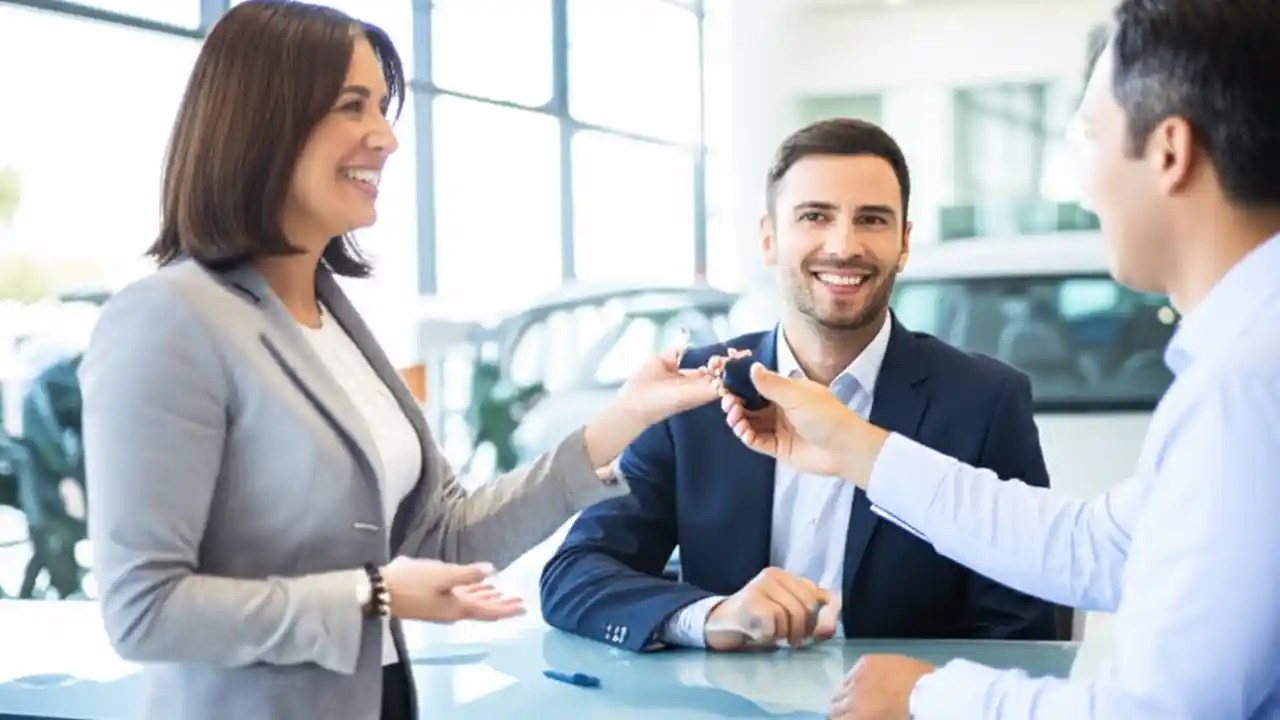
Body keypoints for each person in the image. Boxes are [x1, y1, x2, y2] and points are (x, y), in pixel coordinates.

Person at [79, 4, 717, 720]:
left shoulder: (336, 322)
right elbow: (143, 610)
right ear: (264, 120)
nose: (384, 138)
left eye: (383, 109)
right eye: (354, 106)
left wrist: (620, 420)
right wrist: (371, 594)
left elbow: (445, 534)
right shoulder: (169, 319)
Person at [720, 2, 1280, 717]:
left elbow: (1160, 712)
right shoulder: (1245, 358)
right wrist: (854, 447)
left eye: (1091, 136)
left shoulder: (1248, 384)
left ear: (1169, 150)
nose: (1084, 182)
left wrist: (930, 697)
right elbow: (1097, 543)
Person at [540, 118, 1058, 653]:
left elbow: (1021, 629)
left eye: (872, 220)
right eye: (815, 216)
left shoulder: (985, 402)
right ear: (769, 238)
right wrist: (712, 616)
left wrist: (919, 694)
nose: (844, 245)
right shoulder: (698, 389)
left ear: (904, 243)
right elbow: (574, 573)